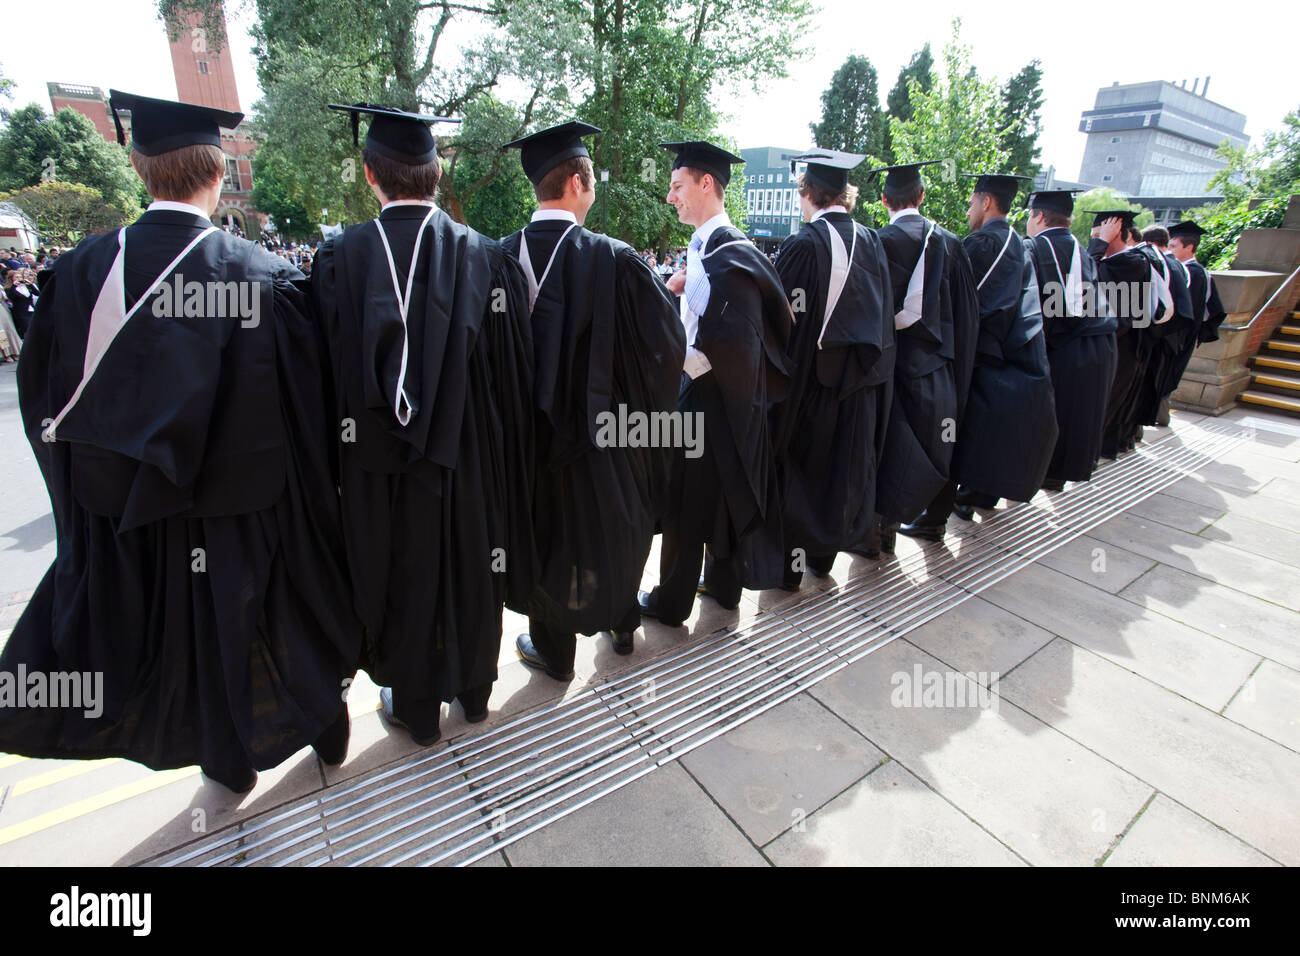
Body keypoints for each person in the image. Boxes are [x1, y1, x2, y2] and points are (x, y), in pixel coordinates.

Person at [0, 90, 360, 794]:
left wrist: (83, 511)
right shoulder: (267, 279)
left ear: (137, 167)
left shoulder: (77, 275)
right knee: (278, 616)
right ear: (220, 172)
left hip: (129, 513)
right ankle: (322, 721)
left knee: (180, 641)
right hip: (249, 513)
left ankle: (224, 764)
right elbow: (309, 416)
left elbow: (43, 404)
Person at [312, 104, 534, 745]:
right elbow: (506, 381)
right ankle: (474, 692)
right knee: (470, 562)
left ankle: (414, 708)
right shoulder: (486, 257)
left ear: (369, 175)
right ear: (438, 172)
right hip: (466, 455)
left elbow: (324, 375)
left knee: (400, 570)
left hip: (376, 464)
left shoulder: (338, 259)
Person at [499, 121, 684, 680]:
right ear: (579, 183)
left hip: (529, 445)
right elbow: (664, 349)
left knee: (543, 540)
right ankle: (622, 625)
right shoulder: (616, 259)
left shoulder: (497, 258)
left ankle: (555, 654)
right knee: (615, 526)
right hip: (606, 438)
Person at [636, 140, 793, 628]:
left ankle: (673, 601)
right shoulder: (712, 248)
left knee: (686, 502)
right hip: (726, 403)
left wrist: (663, 355)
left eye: (677, 186)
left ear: (707, 184)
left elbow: (730, 347)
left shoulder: (727, 255)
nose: (670, 197)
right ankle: (723, 589)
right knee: (722, 495)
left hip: (709, 398)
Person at [901, 173, 1057, 540]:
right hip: (1001, 360)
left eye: (972, 203)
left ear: (987, 202)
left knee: (949, 437)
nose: (970, 210)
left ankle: (933, 518)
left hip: (976, 359)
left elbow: (961, 308)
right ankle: (962, 501)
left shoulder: (984, 243)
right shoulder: (1018, 243)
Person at [769, 149, 894, 582]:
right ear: (846, 194)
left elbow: (779, 320)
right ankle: (823, 561)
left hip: (809, 387)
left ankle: (789, 568)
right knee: (841, 473)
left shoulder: (804, 244)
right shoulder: (872, 241)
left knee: (801, 473)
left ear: (808, 193)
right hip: (859, 387)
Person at [869, 161, 979, 554]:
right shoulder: (951, 243)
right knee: (924, 447)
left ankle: (877, 533)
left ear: (884, 200)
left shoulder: (877, 241)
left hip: (890, 370)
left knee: (886, 449)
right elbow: (967, 316)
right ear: (922, 197)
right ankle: (916, 522)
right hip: (936, 370)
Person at [1022, 190, 1117, 490]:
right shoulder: (1079, 248)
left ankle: (1026, 479)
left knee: (1041, 417)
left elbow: (1035, 308)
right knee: (1076, 417)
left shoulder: (1035, 247)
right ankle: (1054, 477)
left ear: (1038, 216)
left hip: (1065, 345)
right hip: (1100, 343)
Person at [1168, 220, 1227, 347]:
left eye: (1173, 246)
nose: (1169, 250)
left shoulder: (1194, 273)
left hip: (1178, 337)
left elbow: (1187, 310)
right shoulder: (1189, 270)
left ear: (1189, 247)